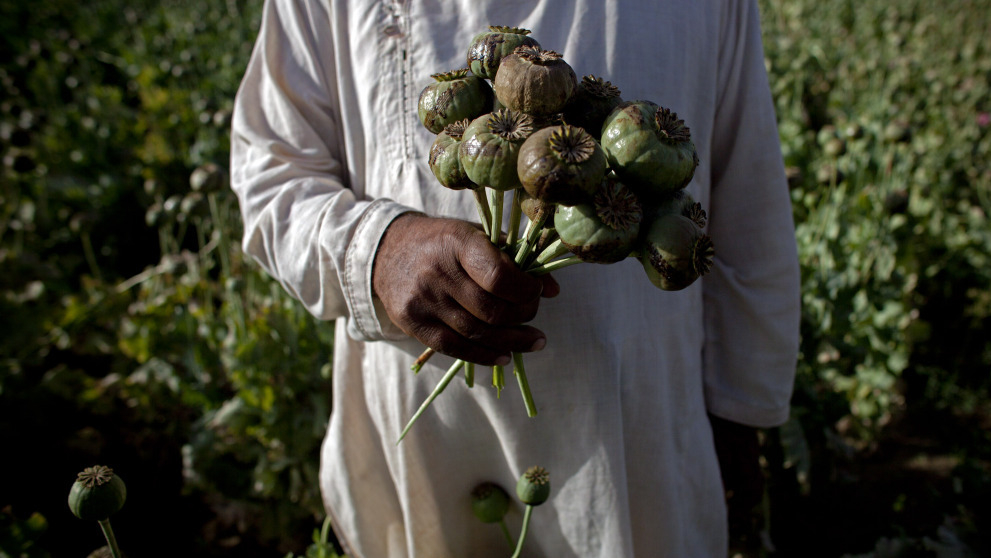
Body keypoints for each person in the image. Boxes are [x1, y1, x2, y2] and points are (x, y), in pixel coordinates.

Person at [230, 0, 800, 556]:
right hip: (414, 449)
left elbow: (750, 207)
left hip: (635, 454)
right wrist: (376, 248)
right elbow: (272, 167)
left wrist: (743, 417)